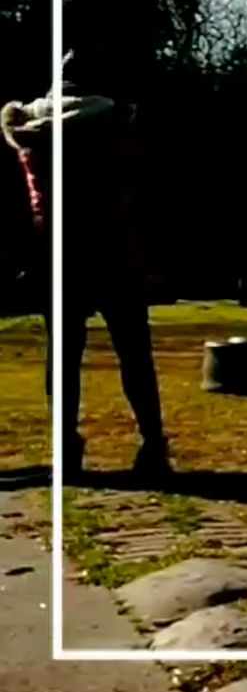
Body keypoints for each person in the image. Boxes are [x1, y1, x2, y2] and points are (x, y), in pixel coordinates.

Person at [1, 52, 170, 478]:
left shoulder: (30, 130)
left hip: (57, 253)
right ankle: (152, 444)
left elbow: (24, 203)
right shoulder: (115, 124)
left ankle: (67, 451)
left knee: (63, 358)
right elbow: (142, 187)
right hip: (114, 249)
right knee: (134, 355)